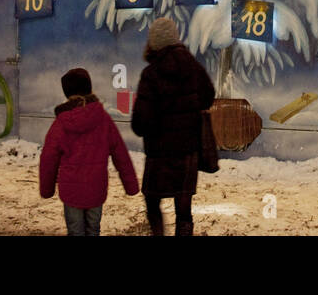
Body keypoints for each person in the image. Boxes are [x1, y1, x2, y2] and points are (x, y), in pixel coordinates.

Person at [131, 17, 215, 236]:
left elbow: (140, 123)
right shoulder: (194, 68)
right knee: (184, 207)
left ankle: (158, 233)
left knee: (152, 200)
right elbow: (208, 97)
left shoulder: (150, 74)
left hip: (159, 152)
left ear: (154, 42)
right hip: (188, 151)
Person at [39, 67, 139, 236]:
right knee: (93, 230)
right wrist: (131, 186)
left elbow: (48, 158)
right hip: (96, 189)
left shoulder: (61, 123)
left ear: (67, 93)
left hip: (71, 192)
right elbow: (120, 154)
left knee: (75, 231)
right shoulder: (103, 119)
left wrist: (47, 189)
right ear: (89, 88)